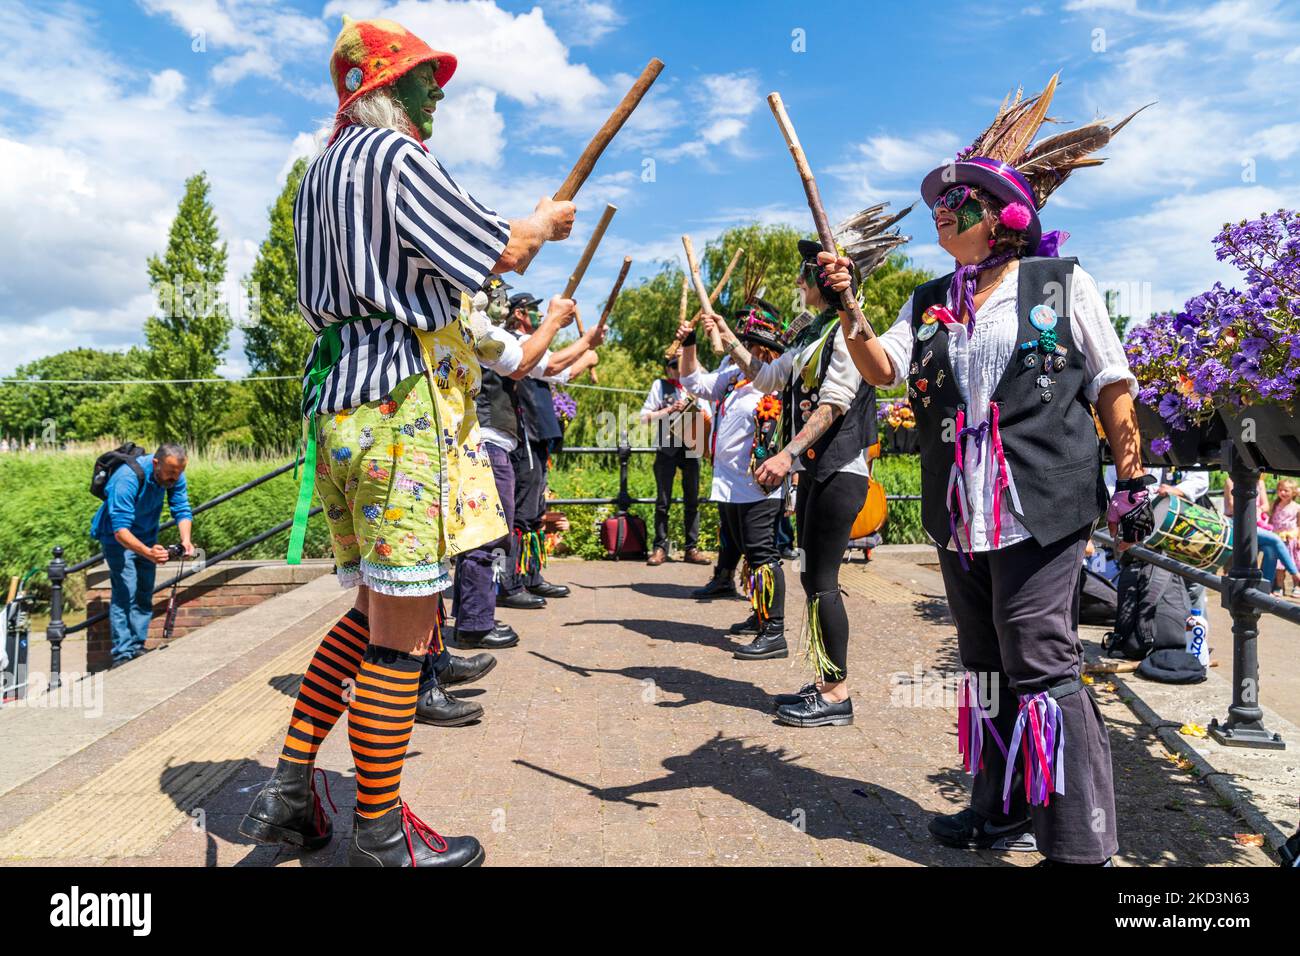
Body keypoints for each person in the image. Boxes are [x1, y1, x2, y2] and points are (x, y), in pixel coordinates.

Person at [241, 14, 575, 867]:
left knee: (370, 610)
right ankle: (382, 835)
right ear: (386, 86)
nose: (440, 94)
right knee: (404, 629)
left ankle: (287, 793)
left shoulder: (319, 175)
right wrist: (541, 223)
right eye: (429, 78)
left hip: (340, 407)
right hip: (399, 405)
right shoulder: (395, 157)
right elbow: (497, 251)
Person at [825, 74, 1147, 865]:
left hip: (1043, 501)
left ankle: (1080, 844)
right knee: (983, 665)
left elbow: (1112, 380)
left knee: (1039, 658)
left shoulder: (1060, 284)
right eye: (938, 203)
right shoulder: (928, 298)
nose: (942, 211)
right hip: (961, 512)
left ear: (1004, 216)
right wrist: (849, 306)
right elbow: (880, 372)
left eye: (959, 201)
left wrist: (1132, 478)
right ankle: (998, 809)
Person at [702, 233, 895, 727]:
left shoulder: (852, 331)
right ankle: (826, 683)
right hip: (814, 471)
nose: (796, 281)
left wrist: (787, 454)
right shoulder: (814, 332)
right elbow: (769, 379)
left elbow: (834, 403)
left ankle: (836, 695)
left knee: (824, 580)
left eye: (804, 273)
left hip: (840, 470)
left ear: (823, 278)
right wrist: (729, 341)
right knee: (812, 577)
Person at [679, 300, 790, 660]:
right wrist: (690, 344)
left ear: (764, 349)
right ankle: (760, 615)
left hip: (759, 483)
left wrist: (724, 332)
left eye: (750, 342)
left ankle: (774, 630)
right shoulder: (732, 375)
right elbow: (693, 382)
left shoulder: (775, 378)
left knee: (762, 552)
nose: (743, 346)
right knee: (747, 549)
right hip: (728, 483)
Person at [495, 292, 601, 609]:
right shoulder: (512, 343)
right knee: (519, 509)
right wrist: (586, 344)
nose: (540, 316)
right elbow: (553, 366)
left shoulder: (534, 344)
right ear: (519, 313)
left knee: (534, 509)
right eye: (534, 311)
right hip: (522, 430)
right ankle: (508, 582)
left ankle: (530, 575)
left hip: (538, 433)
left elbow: (562, 369)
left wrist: (586, 355)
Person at [89, 443, 195, 667]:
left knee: (144, 590)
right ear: (156, 463)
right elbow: (120, 530)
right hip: (116, 538)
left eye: (179, 473)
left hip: (146, 535)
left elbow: (181, 507)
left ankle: (137, 645)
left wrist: (185, 540)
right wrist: (147, 552)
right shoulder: (126, 478)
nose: (174, 478)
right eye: (170, 473)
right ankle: (122, 653)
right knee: (125, 590)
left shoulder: (175, 474)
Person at [640, 355, 712, 566]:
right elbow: (644, 417)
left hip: (691, 445)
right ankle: (660, 548)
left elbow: (708, 413)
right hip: (666, 447)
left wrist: (695, 409)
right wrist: (669, 410)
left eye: (679, 366)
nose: (676, 370)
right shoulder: (659, 385)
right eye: (672, 366)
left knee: (692, 500)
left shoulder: (696, 385)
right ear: (667, 369)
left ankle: (692, 548)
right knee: (663, 501)